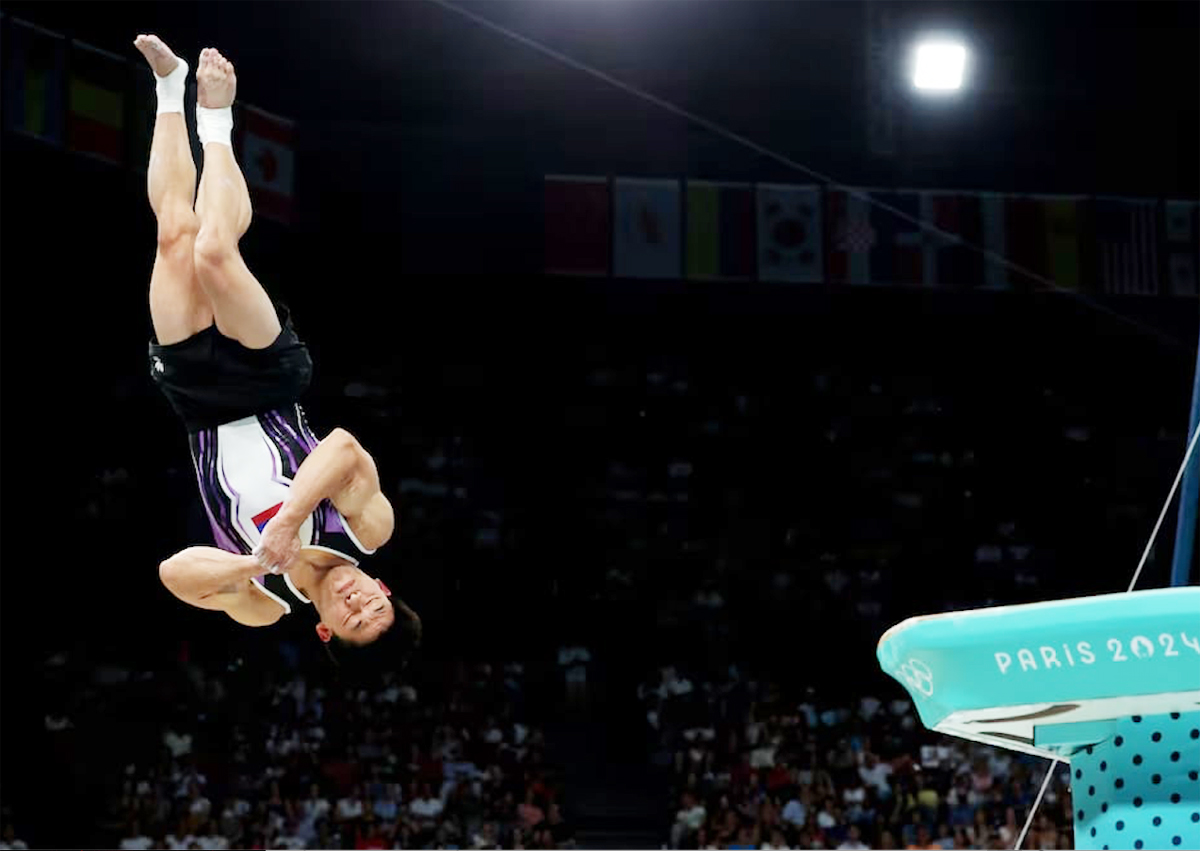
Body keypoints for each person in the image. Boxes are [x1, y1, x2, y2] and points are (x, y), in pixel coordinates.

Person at [133, 34, 418, 649]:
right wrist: (289, 523)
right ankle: (216, 119)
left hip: (199, 407)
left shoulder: (265, 603)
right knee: (214, 252)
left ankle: (168, 87)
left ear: (325, 631)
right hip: (270, 385)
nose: (358, 601)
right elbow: (342, 448)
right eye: (374, 603)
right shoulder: (369, 531)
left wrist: (257, 562)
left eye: (354, 620)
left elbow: (174, 574)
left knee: (176, 236)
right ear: (383, 587)